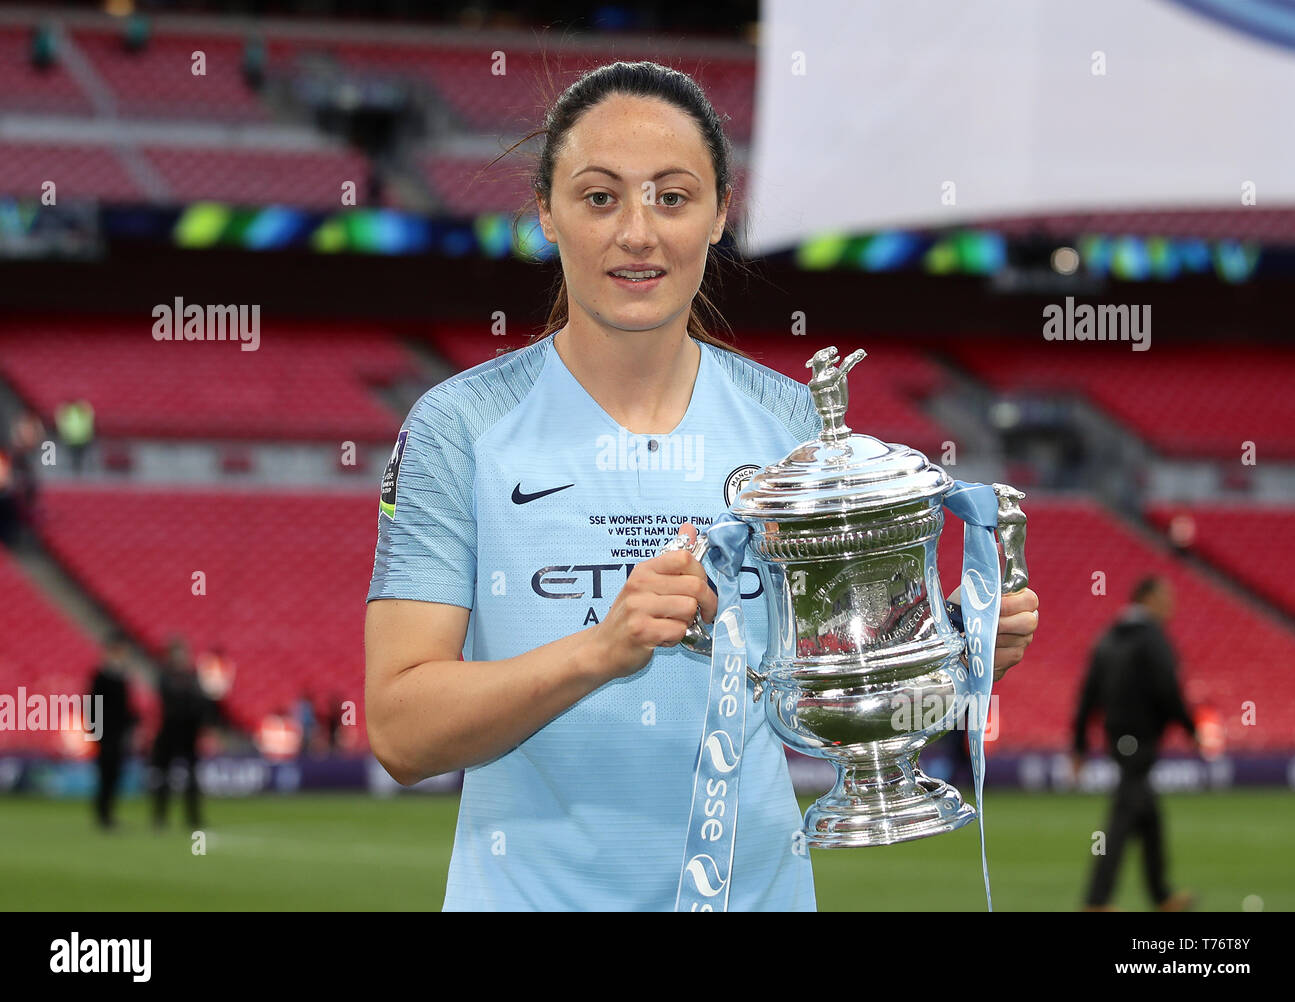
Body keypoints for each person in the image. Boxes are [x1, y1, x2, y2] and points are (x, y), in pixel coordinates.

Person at [364, 60, 1041, 912]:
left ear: (720, 213)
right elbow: (399, 730)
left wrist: (954, 653)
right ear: (547, 213)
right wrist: (599, 651)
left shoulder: (793, 426)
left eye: (673, 197)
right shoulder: (459, 427)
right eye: (600, 196)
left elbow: (828, 698)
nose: (638, 233)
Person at [1071, 575, 1202, 912]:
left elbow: (1088, 694)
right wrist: (1191, 729)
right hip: (1140, 739)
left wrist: (1080, 744)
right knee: (1124, 817)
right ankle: (1097, 901)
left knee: (1148, 815)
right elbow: (1168, 689)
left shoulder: (1109, 637)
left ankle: (1162, 896)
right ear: (1148, 600)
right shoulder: (1152, 639)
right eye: (1165, 598)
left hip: (1118, 738)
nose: (1171, 606)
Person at [149, 636, 209, 830]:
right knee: (164, 776)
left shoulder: (192, 677)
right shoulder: (167, 677)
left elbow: (201, 703)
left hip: (189, 732)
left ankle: (192, 817)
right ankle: (160, 817)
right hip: (170, 731)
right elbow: (171, 701)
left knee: (191, 777)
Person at [89, 631, 138, 830]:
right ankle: (103, 814)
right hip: (105, 734)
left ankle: (108, 814)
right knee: (105, 775)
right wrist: (96, 732)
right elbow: (92, 706)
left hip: (119, 734)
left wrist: (132, 724)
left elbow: (126, 708)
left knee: (114, 775)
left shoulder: (121, 677)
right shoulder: (101, 676)